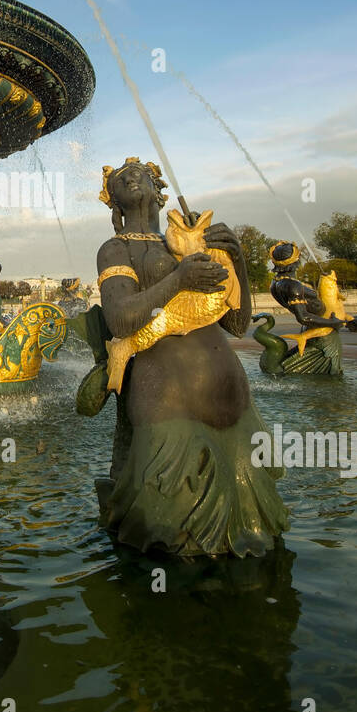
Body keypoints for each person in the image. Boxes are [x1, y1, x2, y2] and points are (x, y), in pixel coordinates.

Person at [86, 157, 288, 559]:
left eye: (141, 173)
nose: (131, 175)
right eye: (121, 179)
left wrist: (239, 262)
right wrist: (178, 280)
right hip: (167, 402)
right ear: (114, 205)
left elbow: (236, 322)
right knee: (172, 540)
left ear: (161, 195)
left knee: (254, 546)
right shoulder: (116, 248)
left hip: (233, 404)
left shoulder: (192, 242)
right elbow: (121, 318)